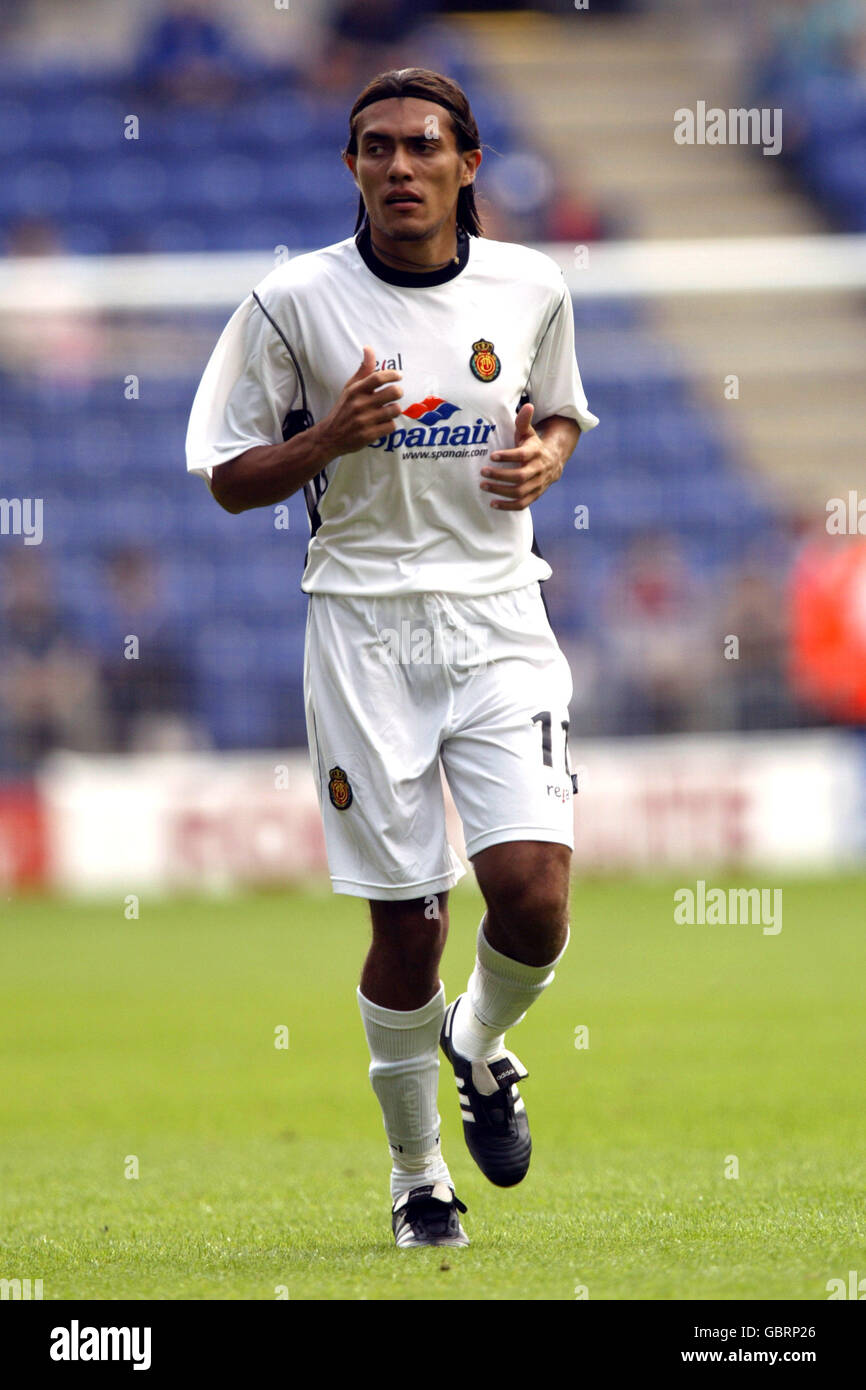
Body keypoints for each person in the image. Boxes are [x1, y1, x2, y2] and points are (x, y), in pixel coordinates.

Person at [186, 67, 598, 1249]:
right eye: (375, 148)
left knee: (532, 897)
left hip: (499, 619)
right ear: (351, 168)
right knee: (409, 921)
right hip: (363, 632)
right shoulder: (292, 302)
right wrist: (328, 435)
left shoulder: (530, 283)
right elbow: (226, 475)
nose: (398, 166)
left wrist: (548, 459)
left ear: (467, 163)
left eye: (422, 146)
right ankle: (418, 1175)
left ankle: (476, 1043)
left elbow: (559, 408)